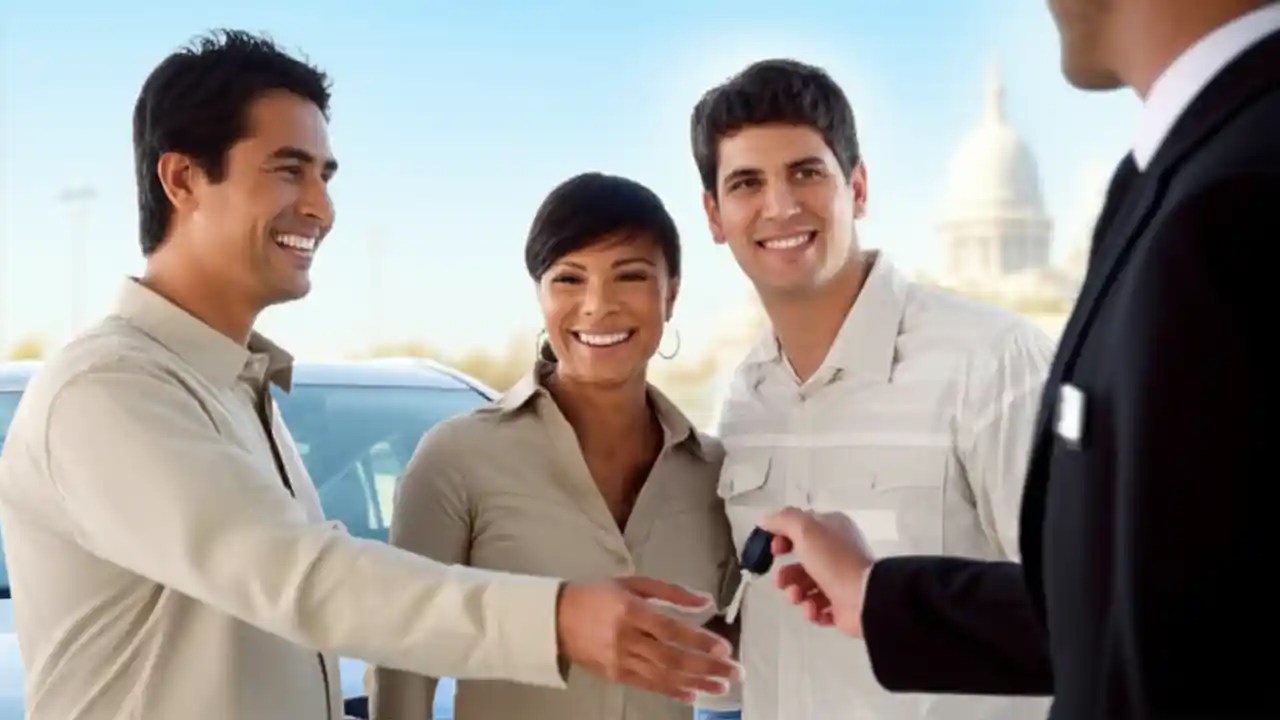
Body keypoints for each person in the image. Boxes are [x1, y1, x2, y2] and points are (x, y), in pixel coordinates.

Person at [0, 31, 737, 720]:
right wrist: (557, 616)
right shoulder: (109, 391)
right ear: (184, 179)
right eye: (290, 170)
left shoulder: (238, 390)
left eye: (325, 175)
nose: (321, 207)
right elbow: (305, 580)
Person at [757, 1, 1280, 718]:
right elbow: (1160, 598)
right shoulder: (1180, 174)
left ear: (858, 187)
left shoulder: (1241, 186)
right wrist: (881, 596)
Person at [690, 58, 1054, 719]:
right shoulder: (744, 396)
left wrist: (882, 593)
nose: (780, 206)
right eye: (747, 183)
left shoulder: (995, 363)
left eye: (806, 172)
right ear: (715, 217)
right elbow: (769, 643)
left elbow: (1087, 615)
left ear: (857, 188)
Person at [370, 171, 743, 720]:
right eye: (569, 279)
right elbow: (403, 656)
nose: (597, 306)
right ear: (541, 295)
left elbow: (736, 655)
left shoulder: (715, 474)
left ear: (672, 294)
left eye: (630, 276)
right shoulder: (458, 458)